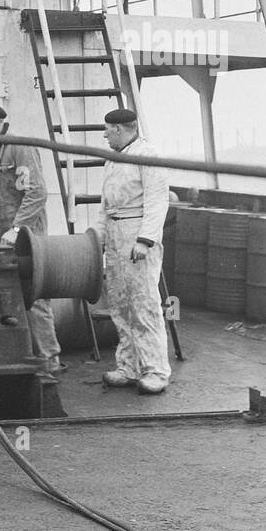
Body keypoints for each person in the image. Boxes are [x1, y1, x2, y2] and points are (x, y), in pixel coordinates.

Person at [0, 101, 63, 374]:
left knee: (35, 295)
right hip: (1, 238)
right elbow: (0, 190)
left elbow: (36, 193)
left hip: (26, 237)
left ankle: (49, 359)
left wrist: (17, 229)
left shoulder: (19, 147)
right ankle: (20, 354)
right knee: (5, 294)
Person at [99, 107, 171, 395]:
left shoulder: (148, 155)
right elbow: (106, 205)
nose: (104, 135)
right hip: (115, 231)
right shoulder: (114, 159)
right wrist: (99, 237)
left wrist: (145, 240)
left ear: (119, 129)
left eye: (107, 130)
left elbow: (157, 200)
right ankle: (128, 366)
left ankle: (156, 371)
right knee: (119, 303)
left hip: (136, 233)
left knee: (144, 305)